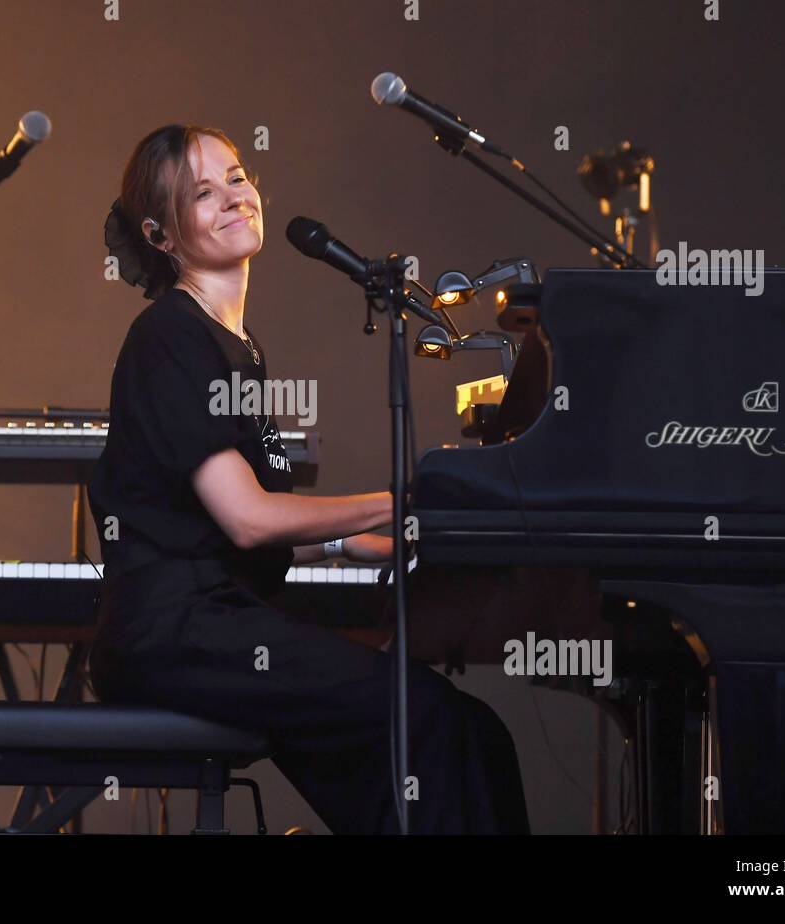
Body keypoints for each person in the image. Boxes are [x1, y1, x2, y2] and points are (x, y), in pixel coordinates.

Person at [86, 124, 529, 834]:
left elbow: (239, 529)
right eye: (202, 193)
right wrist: (402, 501)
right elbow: (249, 520)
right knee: (427, 723)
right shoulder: (170, 337)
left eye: (236, 178)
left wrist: (373, 546)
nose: (233, 198)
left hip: (220, 619)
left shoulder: (237, 345)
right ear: (160, 236)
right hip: (175, 634)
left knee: (474, 731)